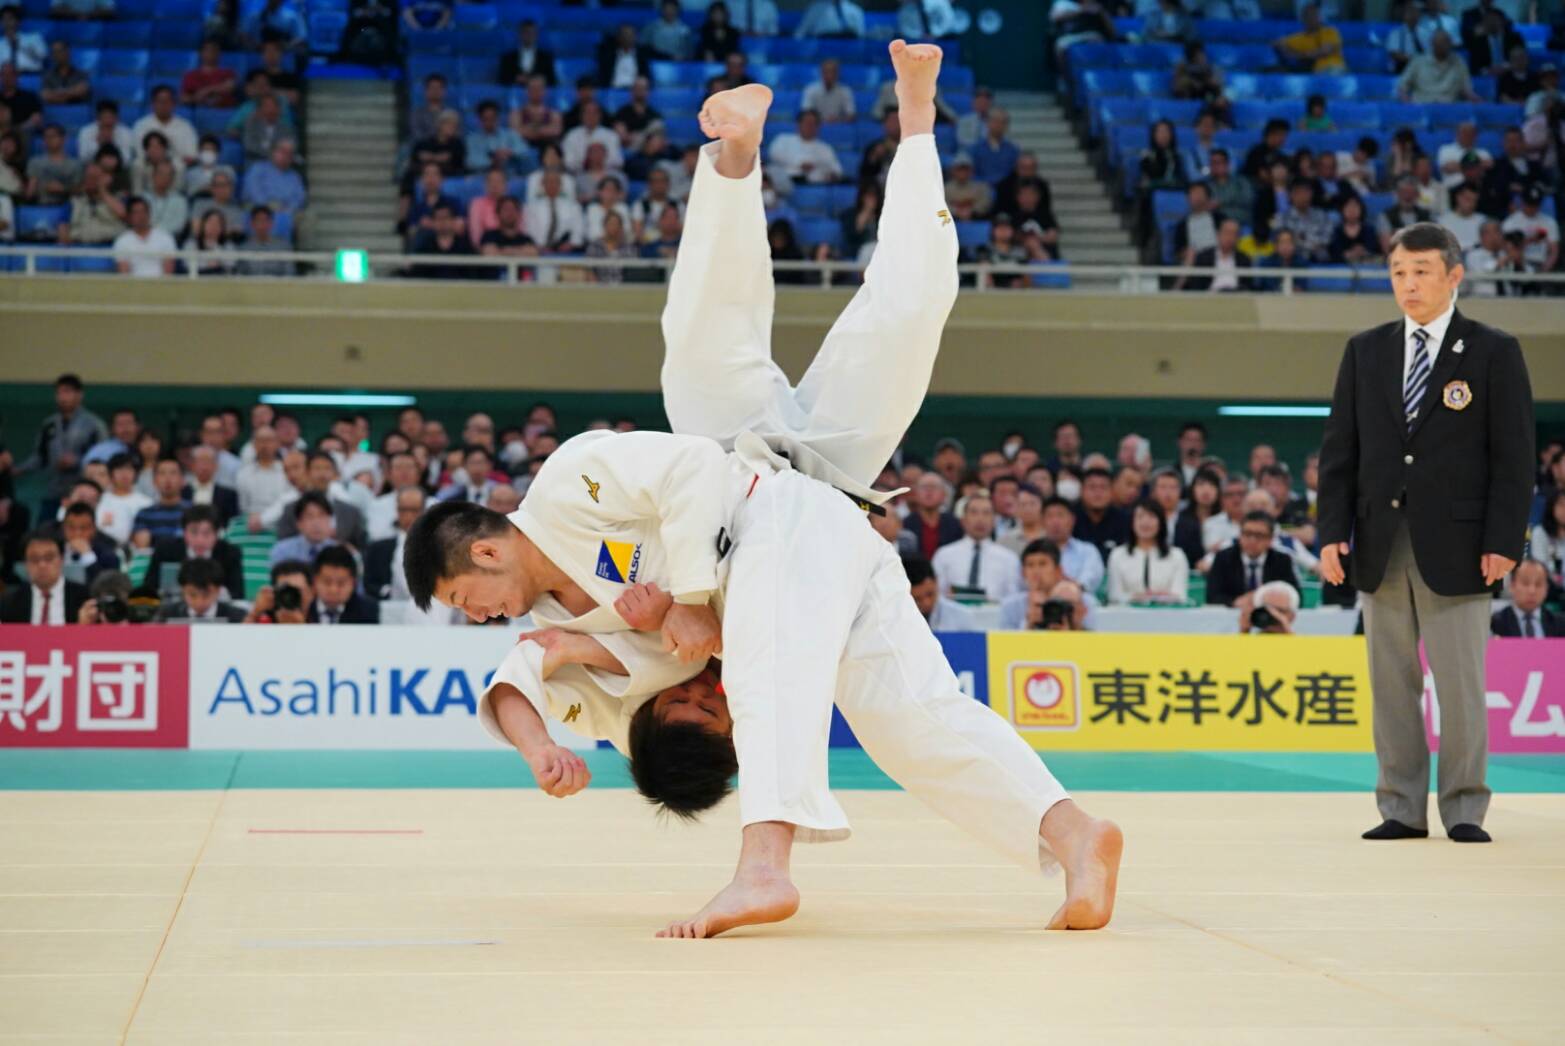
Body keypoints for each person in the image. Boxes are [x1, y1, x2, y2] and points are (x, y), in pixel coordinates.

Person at [413, 51, 1121, 938]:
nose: (477, 617)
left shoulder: (565, 487)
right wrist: (543, 746)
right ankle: (1073, 830)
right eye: (721, 719)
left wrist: (687, 598)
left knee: (705, 336)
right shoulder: (612, 671)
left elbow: (691, 477)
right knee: (910, 714)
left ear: (481, 551)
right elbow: (519, 679)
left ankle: (735, 157)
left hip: (734, 457)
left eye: (463, 601)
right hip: (831, 498)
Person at [1318, 222, 1534, 844]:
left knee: (1461, 685)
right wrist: (1332, 531)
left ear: (1454, 276)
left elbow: (1514, 458)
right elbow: (1340, 452)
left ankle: (1464, 806)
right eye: (1398, 273)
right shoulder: (1366, 350)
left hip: (1464, 543)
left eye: (1421, 272)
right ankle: (1400, 807)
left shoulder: (1493, 350)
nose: (1408, 285)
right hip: (1378, 538)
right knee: (1391, 684)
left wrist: (1504, 540)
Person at [135, 504, 243, 600]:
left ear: (216, 534)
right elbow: (149, 589)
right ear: (184, 532)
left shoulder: (230, 553)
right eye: (194, 532)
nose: (200, 540)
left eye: (206, 533)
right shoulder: (165, 550)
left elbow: (237, 595)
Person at [931, 491, 1022, 602]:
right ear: (963, 520)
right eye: (974, 513)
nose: (980, 519)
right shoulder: (944, 555)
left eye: (986, 513)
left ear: (994, 521)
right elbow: (935, 596)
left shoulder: (1009, 559)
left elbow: (1013, 599)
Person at [997, 538, 1098, 631]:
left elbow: (1093, 642)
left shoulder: (1082, 601)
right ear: (1023, 573)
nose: (1036, 571)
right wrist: (1028, 624)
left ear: (1059, 571)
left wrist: (1074, 627)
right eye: (1030, 565)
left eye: (1042, 564)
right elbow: (1005, 646)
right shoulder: (1010, 606)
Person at [1206, 510, 1299, 606]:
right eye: (1247, 534)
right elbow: (1212, 597)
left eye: (1259, 535)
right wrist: (1235, 602)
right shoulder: (1224, 558)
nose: (1252, 540)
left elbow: (1295, 597)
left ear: (1270, 539)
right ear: (1240, 535)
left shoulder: (1282, 561)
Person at [0, 530, 88, 623]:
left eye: (49, 558)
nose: (42, 565)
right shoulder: (9, 602)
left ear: (61, 559)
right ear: (25, 563)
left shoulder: (83, 599)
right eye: (34, 559)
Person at [154, 557, 247, 622]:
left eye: (206, 595)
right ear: (183, 590)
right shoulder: (167, 615)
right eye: (192, 595)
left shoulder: (237, 618)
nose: (199, 602)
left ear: (218, 591)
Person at [307, 545, 379, 624]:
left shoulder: (368, 611)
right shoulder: (304, 608)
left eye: (341, 583)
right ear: (315, 581)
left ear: (354, 584)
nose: (333, 590)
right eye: (327, 582)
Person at [905, 555, 979, 631]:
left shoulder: (963, 617)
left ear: (936, 581)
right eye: (917, 599)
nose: (926, 603)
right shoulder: (896, 619)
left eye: (930, 594)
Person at [1490, 560, 1562, 638]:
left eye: (1538, 584)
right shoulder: (1495, 623)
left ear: (1547, 588)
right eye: (1525, 583)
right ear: (1512, 585)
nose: (1532, 591)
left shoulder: (1560, 624)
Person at [1273, 3, 1344, 75]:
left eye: (1315, 15)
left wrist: (1299, 55)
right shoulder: (1300, 37)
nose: (1313, 19)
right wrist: (1288, 53)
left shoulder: (1329, 31)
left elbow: (1325, 51)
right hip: (1317, 73)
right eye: (1309, 16)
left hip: (1335, 68)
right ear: (1304, 19)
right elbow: (1277, 43)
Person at [499, 19, 556, 88]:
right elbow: (501, 81)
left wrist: (537, 80)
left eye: (532, 33)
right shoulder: (507, 58)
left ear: (536, 35)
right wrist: (516, 79)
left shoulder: (546, 57)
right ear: (520, 34)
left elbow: (553, 82)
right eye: (526, 32)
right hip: (513, 95)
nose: (529, 36)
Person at [796, 0, 864, 38]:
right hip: (820, 52)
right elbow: (800, 33)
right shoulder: (815, 8)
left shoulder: (856, 11)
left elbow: (860, 38)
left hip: (848, 54)